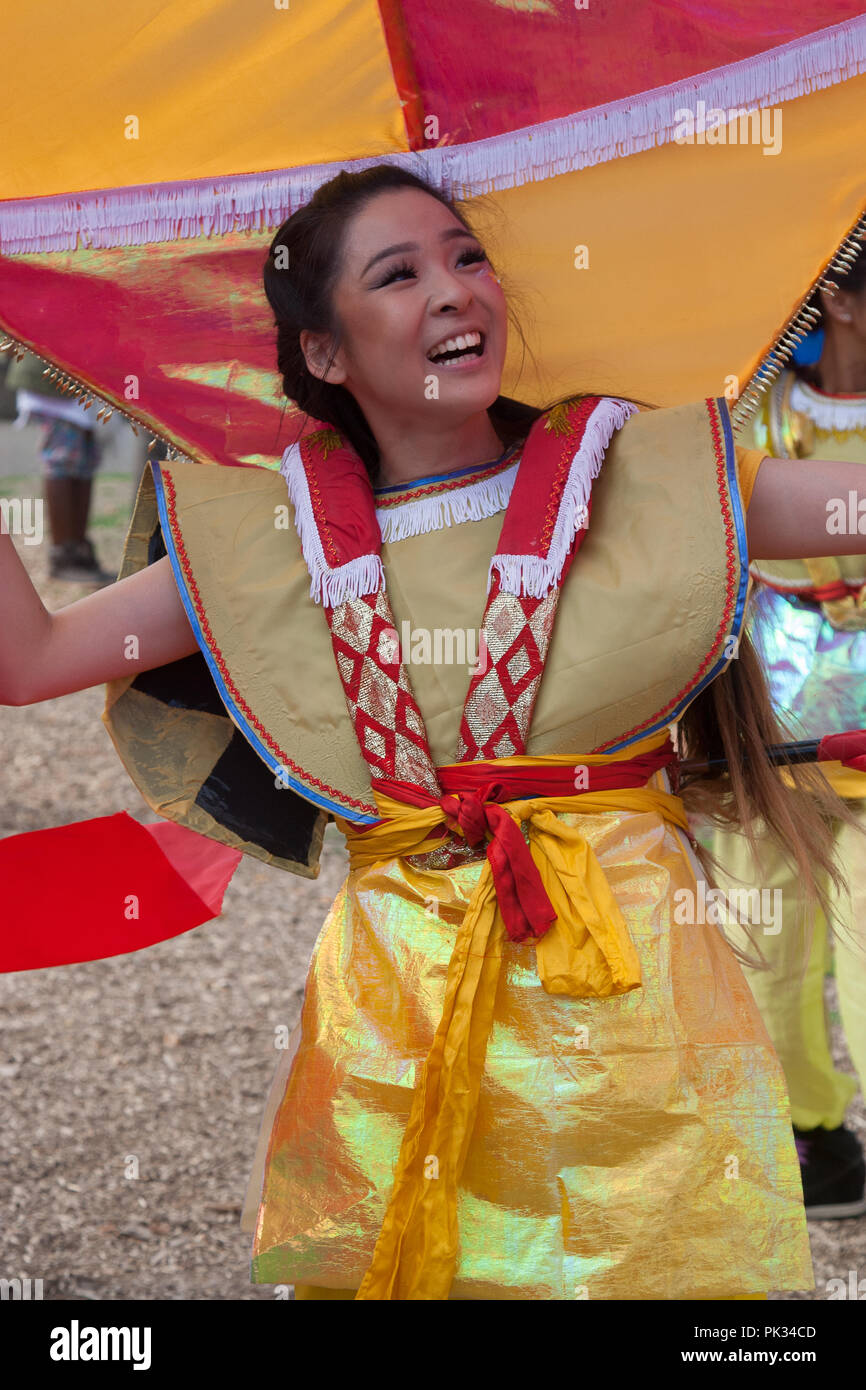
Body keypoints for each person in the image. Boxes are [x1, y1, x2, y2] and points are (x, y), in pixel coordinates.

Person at [2, 164, 865, 1300]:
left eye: (466, 257)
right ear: (324, 351)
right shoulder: (272, 545)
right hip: (392, 1002)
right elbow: (33, 661)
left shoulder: (645, 475)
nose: (454, 290)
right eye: (398, 273)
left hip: (636, 990)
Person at [708, 235, 866, 1221]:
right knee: (762, 923)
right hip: (767, 703)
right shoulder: (745, 404)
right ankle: (809, 1136)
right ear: (840, 305)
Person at [6, 348, 114, 583]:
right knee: (63, 460)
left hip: (77, 373)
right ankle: (63, 554)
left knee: (84, 461)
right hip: (53, 372)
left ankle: (78, 548)